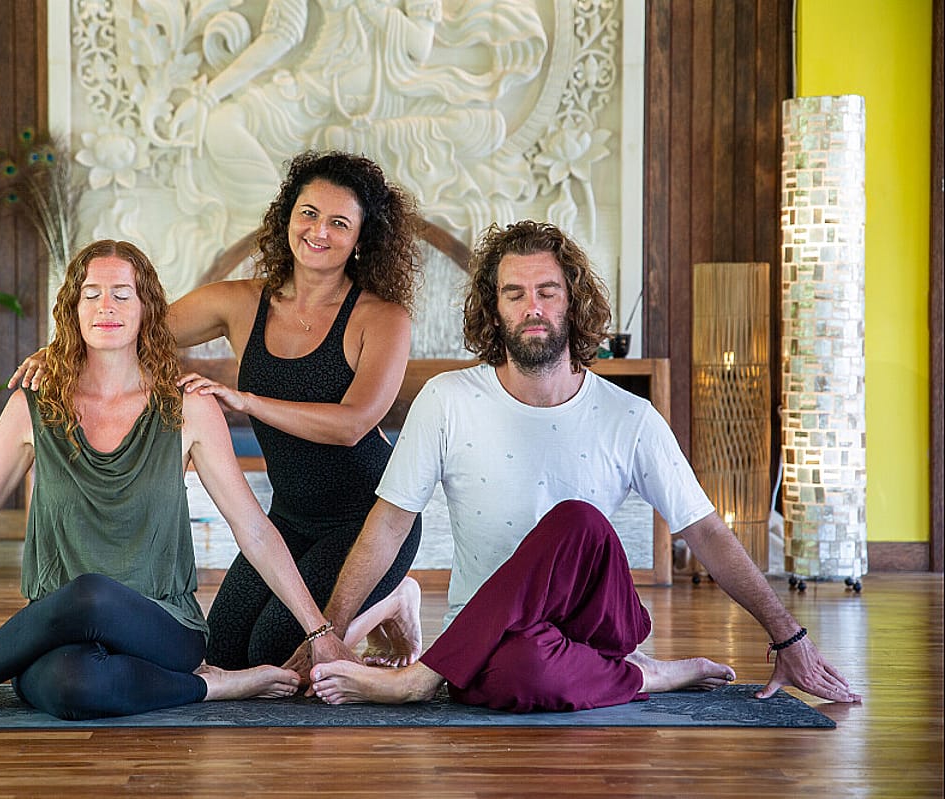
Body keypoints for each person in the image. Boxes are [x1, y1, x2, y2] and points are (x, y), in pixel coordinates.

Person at [305, 220, 862, 712]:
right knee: (522, 678)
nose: (532, 308)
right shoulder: (447, 400)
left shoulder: (629, 416)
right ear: (493, 309)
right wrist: (327, 632)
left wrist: (789, 637)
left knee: (577, 520)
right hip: (490, 641)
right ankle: (650, 674)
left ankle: (420, 679)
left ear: (573, 301)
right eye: (514, 293)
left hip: (599, 624)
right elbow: (389, 522)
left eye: (547, 291)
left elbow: (707, 532)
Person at [0, 240, 348, 720]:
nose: (107, 307)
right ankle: (214, 688)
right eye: (92, 294)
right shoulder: (32, 407)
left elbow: (252, 529)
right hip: (57, 631)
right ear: (72, 311)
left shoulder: (189, 407)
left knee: (93, 594)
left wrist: (319, 632)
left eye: (123, 294)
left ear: (147, 311)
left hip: (163, 627)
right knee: (73, 690)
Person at [9, 151, 424, 672]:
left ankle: (392, 598)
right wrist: (58, 350)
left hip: (367, 520)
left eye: (339, 222)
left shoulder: (380, 318)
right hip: (290, 517)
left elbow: (353, 424)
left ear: (362, 238)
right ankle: (374, 607)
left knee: (276, 656)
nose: (319, 231)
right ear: (287, 216)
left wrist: (245, 400)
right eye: (308, 213)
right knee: (224, 654)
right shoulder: (241, 301)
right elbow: (131, 328)